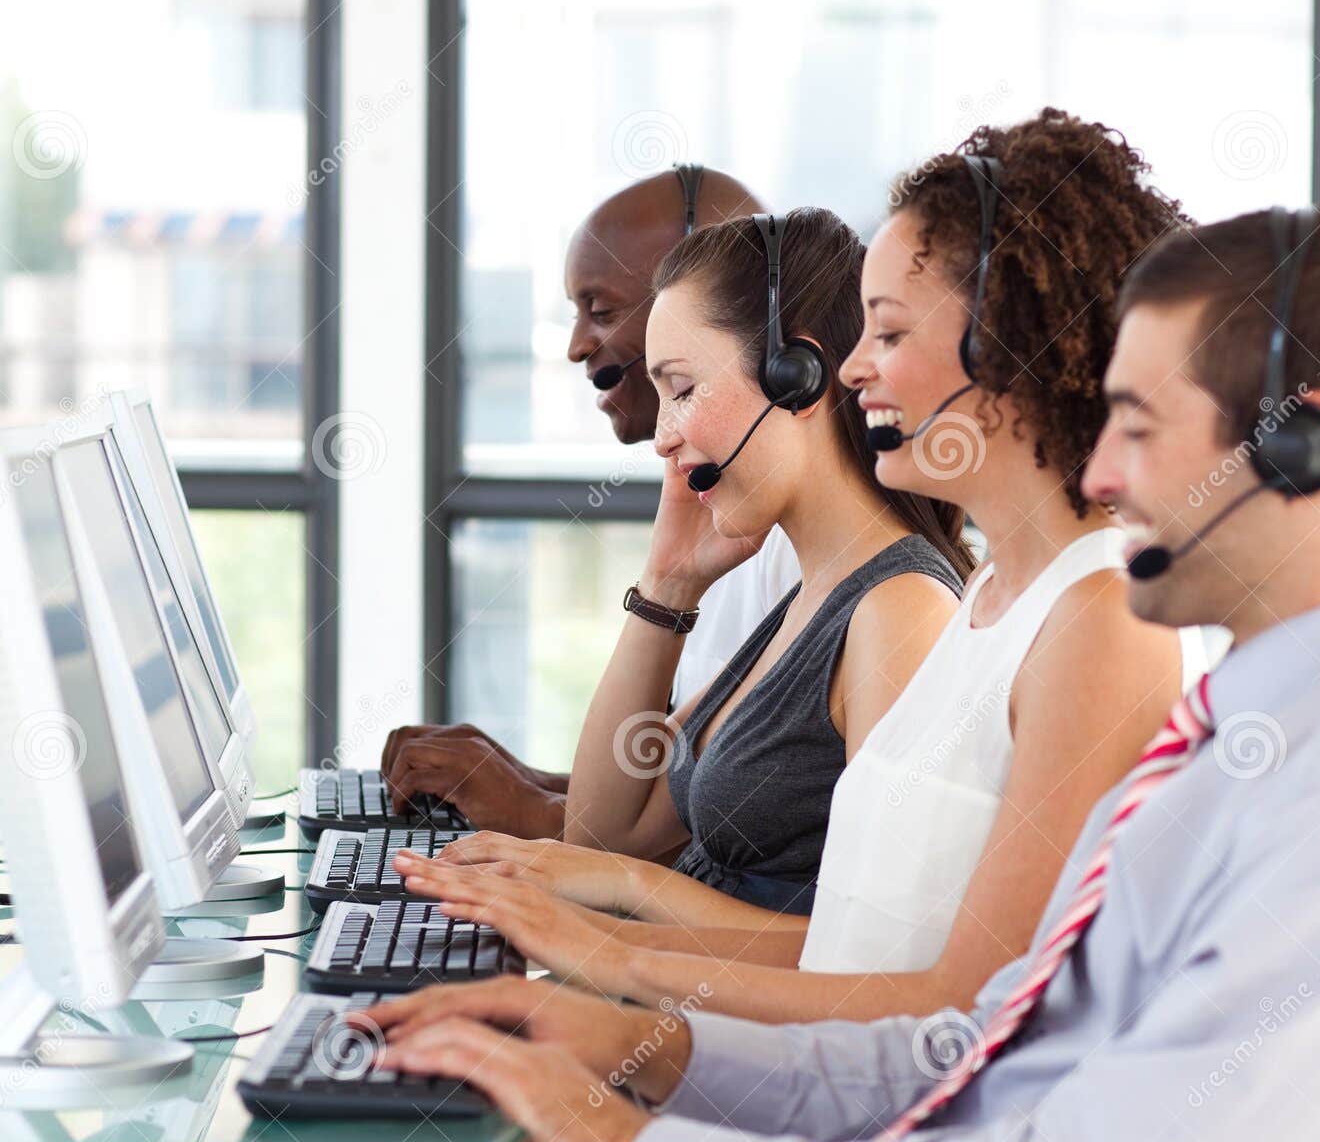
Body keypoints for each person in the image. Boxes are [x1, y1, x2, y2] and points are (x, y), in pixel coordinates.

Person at [366, 198, 1320, 1142]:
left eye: (1138, 427)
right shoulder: (1263, 733)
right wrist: (638, 1046)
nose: (1099, 470)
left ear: (1300, 447)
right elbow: (973, 1042)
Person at [397, 111, 1204, 1021]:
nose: (855, 368)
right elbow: (854, 940)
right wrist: (596, 922)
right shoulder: (990, 598)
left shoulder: (1077, 614)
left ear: (1004, 341)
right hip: (787, 1084)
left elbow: (957, 1010)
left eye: (890, 335)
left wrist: (610, 952)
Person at [462, 205, 974, 917]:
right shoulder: (806, 602)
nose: (664, 438)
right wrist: (668, 585)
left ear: (794, 376)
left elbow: (874, 955)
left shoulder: (901, 609)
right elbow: (601, 834)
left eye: (682, 389)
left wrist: (633, 891)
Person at [381, 166, 798, 838]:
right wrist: (524, 781)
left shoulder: (795, 551)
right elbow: (696, 790)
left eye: (600, 310)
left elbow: (719, 841)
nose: (578, 345)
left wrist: (531, 814)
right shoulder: (723, 517)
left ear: (725, 310)